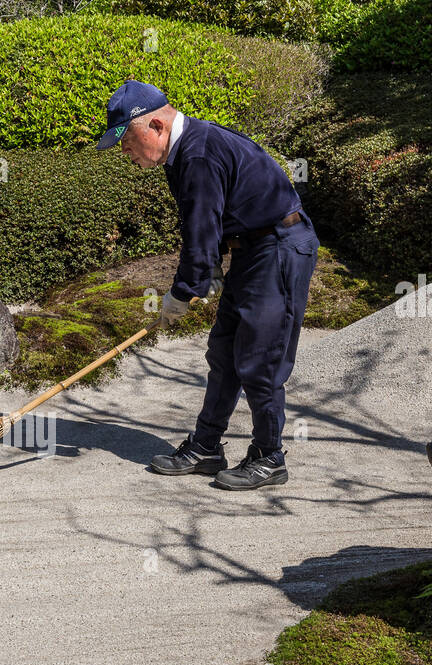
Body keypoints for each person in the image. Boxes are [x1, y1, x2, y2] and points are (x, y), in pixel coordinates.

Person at [97, 80, 319, 490]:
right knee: (223, 352)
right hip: (253, 250)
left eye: (126, 140)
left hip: (280, 248)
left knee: (259, 358)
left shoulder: (197, 153)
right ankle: (207, 446)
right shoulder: (185, 150)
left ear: (157, 126)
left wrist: (184, 291)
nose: (125, 151)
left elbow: (200, 229)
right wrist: (209, 274)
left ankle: (269, 456)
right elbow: (209, 222)